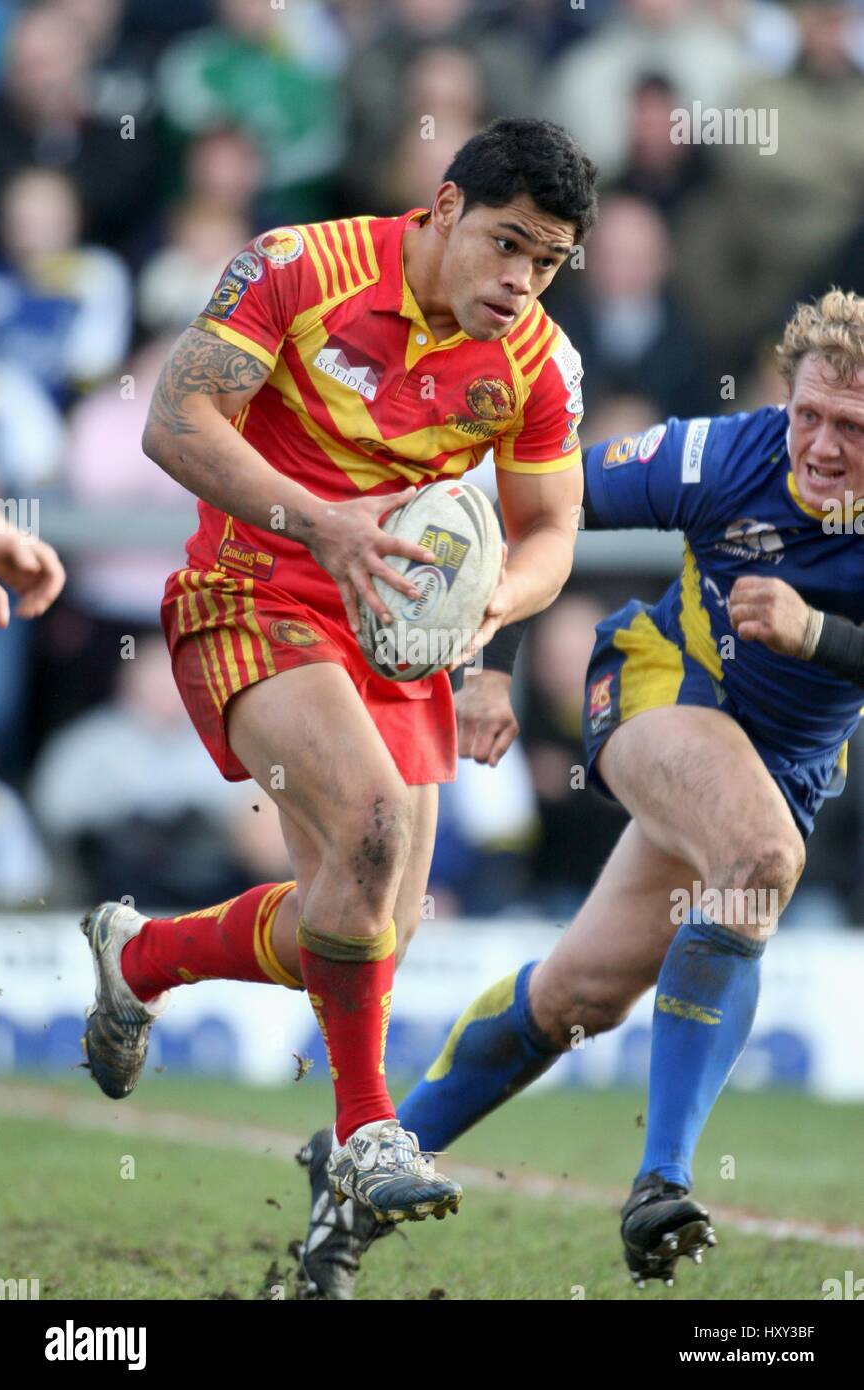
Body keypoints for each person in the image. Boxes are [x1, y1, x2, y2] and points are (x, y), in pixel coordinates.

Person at [78, 119, 598, 1226]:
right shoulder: (300, 265)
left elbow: (552, 528)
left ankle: (143, 956)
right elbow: (174, 423)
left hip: (395, 623)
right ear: (445, 205)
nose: (520, 282)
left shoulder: (536, 361)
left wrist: (490, 607)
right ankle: (366, 1133)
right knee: (366, 830)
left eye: (546, 262)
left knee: (362, 922)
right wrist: (319, 525)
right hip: (256, 583)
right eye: (506, 245)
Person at [295, 287, 864, 1295]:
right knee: (762, 857)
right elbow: (530, 501)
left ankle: (352, 1173)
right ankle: (662, 1181)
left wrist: (813, 631)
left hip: (776, 770)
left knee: (577, 999)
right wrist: (490, 662)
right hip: (658, 684)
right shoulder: (722, 458)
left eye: (849, 428)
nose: (817, 446)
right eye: (805, 414)